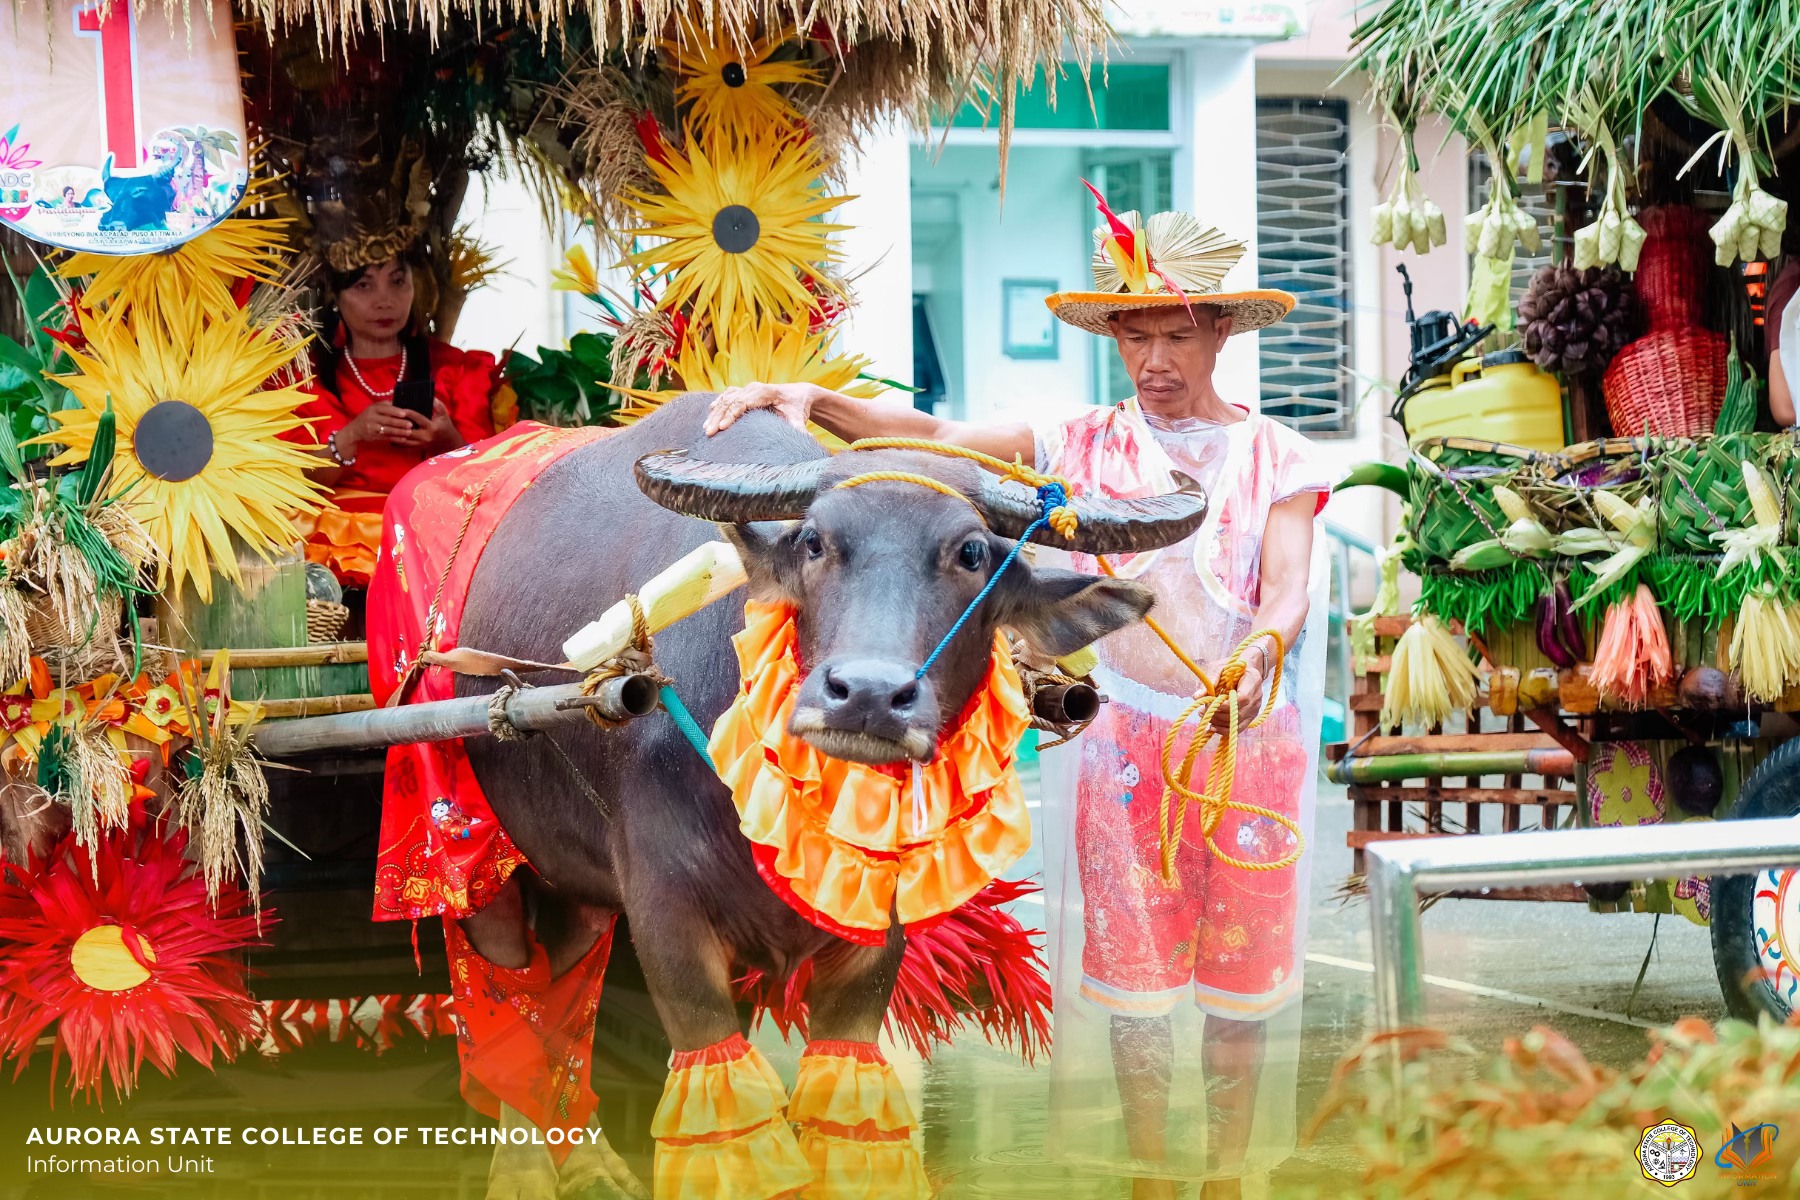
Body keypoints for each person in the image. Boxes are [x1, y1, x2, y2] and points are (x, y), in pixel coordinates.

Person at [706, 193, 1332, 1198]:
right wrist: (812, 400)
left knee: (1240, 986)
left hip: (1244, 745)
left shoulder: (1279, 456)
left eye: (1177, 334)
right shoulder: (1077, 440)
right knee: (1133, 987)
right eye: (1137, 338)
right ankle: (1152, 1177)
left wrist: (1264, 647)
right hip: (1122, 740)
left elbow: (1291, 583)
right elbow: (942, 430)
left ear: (1221, 331)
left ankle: (1226, 1180)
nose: (1157, 360)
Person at [292, 253, 499, 586]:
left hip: (433, 534)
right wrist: (353, 435)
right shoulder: (304, 376)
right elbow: (292, 484)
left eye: (397, 281)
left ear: (415, 287)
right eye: (364, 285)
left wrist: (445, 440)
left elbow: (492, 477)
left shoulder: (455, 368)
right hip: (336, 544)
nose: (385, 300)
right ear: (335, 295)